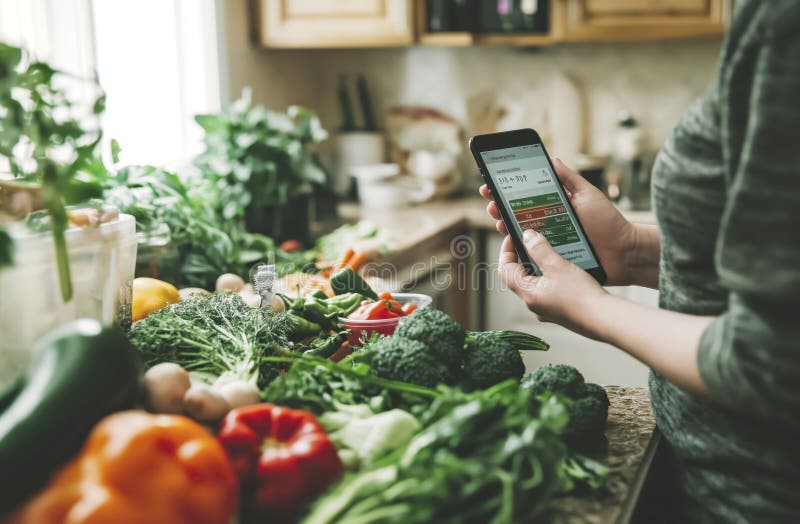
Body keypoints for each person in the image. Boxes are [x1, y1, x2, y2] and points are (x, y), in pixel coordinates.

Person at [479, 2, 800, 522]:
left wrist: (593, 310)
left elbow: (775, 360)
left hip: (754, 498)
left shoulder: (784, 23)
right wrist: (633, 250)